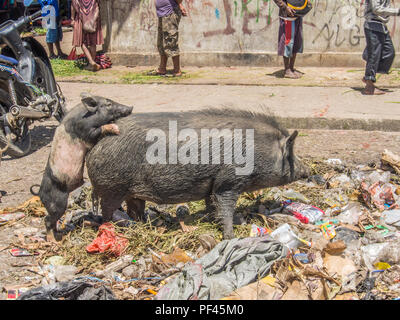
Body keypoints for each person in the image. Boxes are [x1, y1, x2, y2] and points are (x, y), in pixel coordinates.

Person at [363, 0, 400, 95]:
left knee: (389, 53)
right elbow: (376, 9)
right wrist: (397, 11)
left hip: (382, 26)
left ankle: (369, 75)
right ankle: (369, 86)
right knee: (374, 55)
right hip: (372, 25)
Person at [155, 0, 187, 77]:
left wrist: (180, 4)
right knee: (162, 41)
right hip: (162, 13)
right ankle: (162, 68)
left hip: (170, 12)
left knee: (171, 41)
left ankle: (177, 70)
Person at [274, 0, 303, 79]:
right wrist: (285, 7)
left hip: (297, 15)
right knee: (287, 43)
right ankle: (287, 70)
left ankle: (291, 68)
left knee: (296, 43)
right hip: (287, 17)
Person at [71, 0, 103, 71]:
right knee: (93, 43)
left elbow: (73, 5)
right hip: (93, 19)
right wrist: (94, 20)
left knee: (82, 42)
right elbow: (97, 7)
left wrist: (72, 18)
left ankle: (91, 62)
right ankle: (92, 64)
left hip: (81, 20)